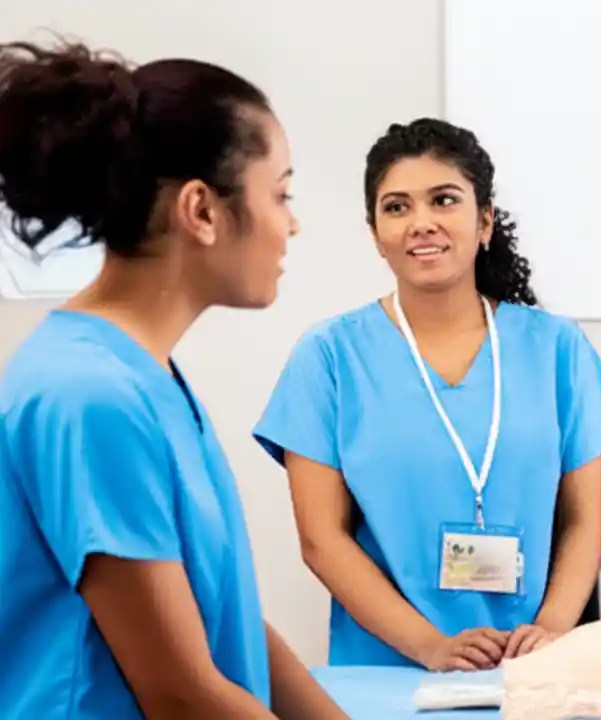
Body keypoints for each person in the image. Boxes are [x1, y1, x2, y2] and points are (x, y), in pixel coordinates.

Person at [0, 41, 345, 719]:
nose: (292, 224)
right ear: (202, 210)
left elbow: (227, 628)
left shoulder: (143, 377)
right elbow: (183, 694)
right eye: (280, 194)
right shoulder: (88, 395)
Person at [253, 117, 601, 672]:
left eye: (443, 200)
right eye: (397, 207)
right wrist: (430, 646)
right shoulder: (329, 356)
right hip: (386, 670)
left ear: (484, 223)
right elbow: (321, 540)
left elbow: (584, 522)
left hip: (530, 668)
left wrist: (552, 635)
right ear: (374, 234)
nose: (421, 223)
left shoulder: (557, 348)